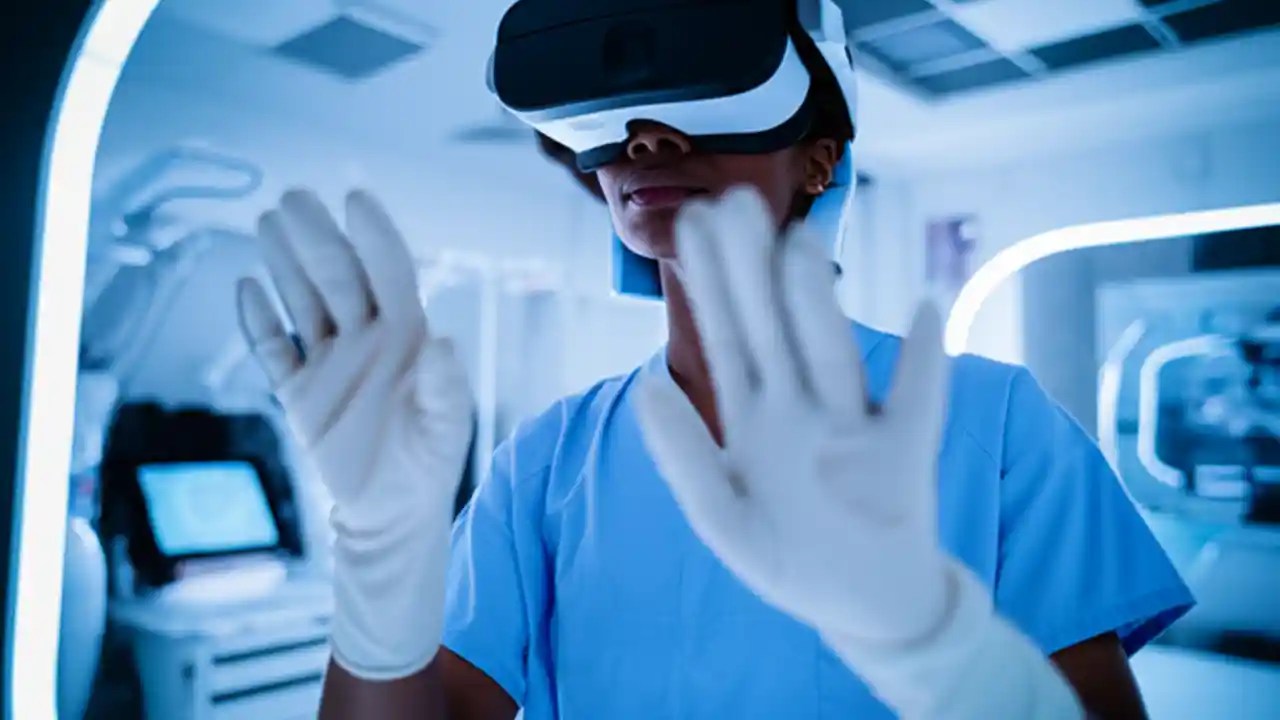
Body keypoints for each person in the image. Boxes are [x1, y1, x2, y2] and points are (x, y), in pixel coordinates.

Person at [235, 3, 1194, 718]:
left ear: (819, 161)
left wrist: (944, 653)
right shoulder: (548, 459)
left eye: (695, 96)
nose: (649, 136)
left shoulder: (996, 422)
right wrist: (378, 566)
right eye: (622, 117)